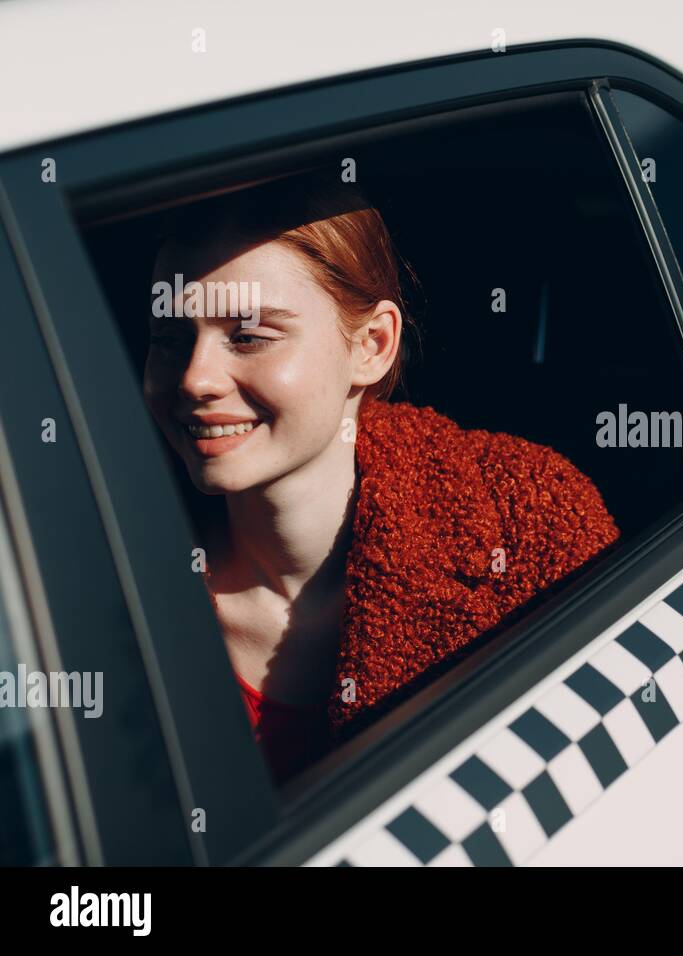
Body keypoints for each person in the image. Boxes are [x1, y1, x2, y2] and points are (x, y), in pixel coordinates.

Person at [142, 172, 619, 785]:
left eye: (250, 336)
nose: (194, 379)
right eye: (170, 338)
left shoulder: (529, 524)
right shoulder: (98, 580)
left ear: (372, 345)